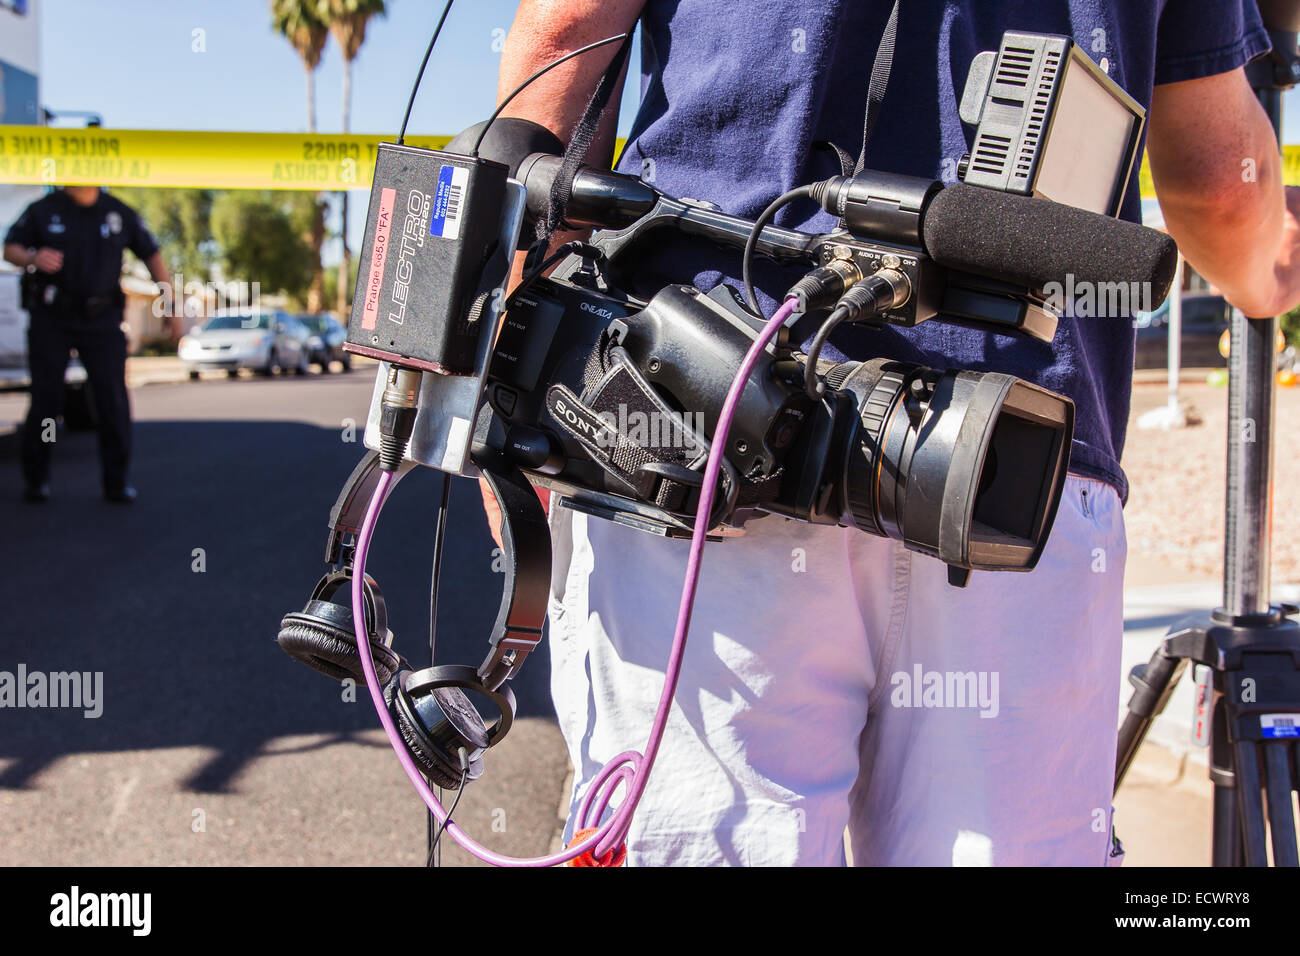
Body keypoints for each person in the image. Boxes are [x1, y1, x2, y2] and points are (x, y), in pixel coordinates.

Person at [488, 0, 1299, 864]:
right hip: (1012, 465)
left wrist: (515, 384)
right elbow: (1219, 178)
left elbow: (565, 42)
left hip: (694, 414)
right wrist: (1271, 268)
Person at [3, 185, 170, 503]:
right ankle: (37, 478)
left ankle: (117, 481)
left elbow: (151, 254)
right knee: (47, 402)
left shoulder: (118, 211)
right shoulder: (44, 209)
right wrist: (32, 257)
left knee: (111, 400)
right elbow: (10, 249)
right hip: (52, 318)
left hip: (102, 318)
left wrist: (169, 303)